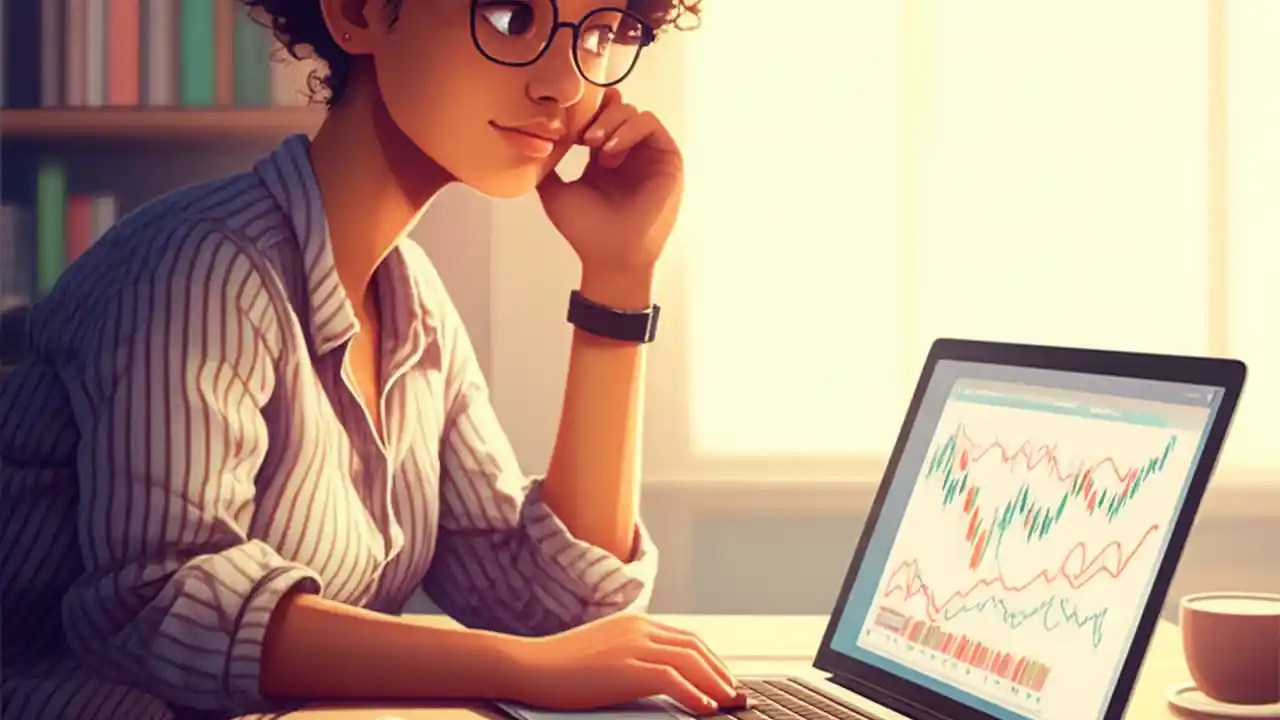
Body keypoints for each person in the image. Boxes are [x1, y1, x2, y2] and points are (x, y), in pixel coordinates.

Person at [0, 0, 744, 718]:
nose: (567, 84)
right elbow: (159, 604)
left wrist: (619, 279)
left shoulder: (411, 298)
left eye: (599, 32)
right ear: (359, 11)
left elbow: (561, 608)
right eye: (510, 16)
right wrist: (520, 670)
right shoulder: (200, 264)